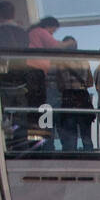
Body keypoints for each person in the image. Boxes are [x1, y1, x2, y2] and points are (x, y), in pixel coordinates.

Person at [26, 16, 68, 149]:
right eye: (52, 31)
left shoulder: (33, 33)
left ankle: (38, 143)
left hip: (35, 73)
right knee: (43, 110)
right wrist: (70, 43)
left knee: (37, 112)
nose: (51, 35)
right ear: (49, 26)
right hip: (38, 72)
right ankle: (44, 145)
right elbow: (56, 45)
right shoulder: (40, 31)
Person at [0, 1, 29, 151]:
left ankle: (3, 147)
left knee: (0, 116)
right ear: (13, 14)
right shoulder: (23, 33)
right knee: (20, 118)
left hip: (2, 81)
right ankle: (20, 147)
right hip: (20, 82)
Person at [56, 37, 94, 151]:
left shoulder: (61, 61)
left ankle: (70, 159)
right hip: (83, 98)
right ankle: (90, 158)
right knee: (86, 136)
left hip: (68, 98)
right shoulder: (84, 60)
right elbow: (90, 82)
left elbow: (60, 85)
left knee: (70, 136)